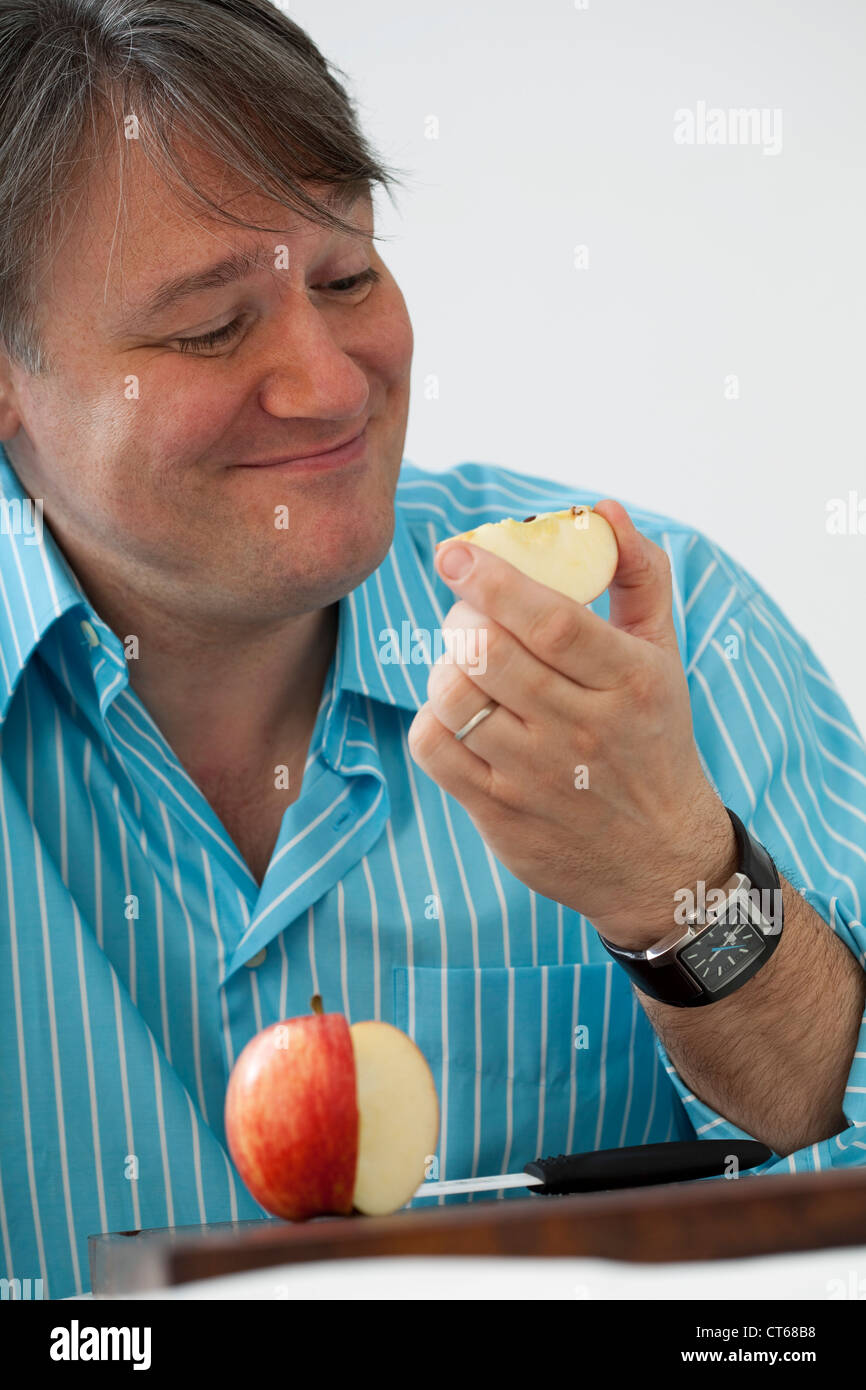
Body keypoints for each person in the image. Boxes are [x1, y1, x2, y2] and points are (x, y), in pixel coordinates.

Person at [0, 0, 864, 1301]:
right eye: (208, 328)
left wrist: (678, 885)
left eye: (346, 280)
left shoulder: (676, 637)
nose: (331, 383)